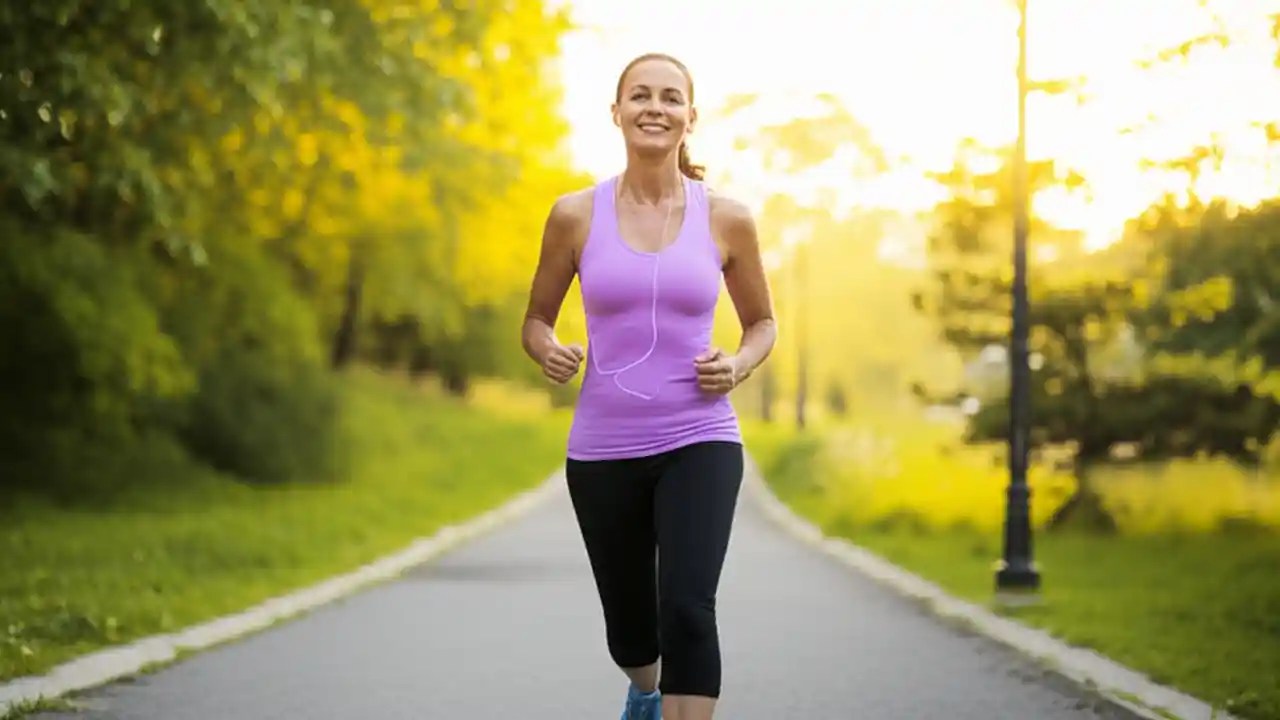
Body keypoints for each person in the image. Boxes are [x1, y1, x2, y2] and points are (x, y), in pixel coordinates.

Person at [521, 52, 777, 720]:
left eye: (670, 98)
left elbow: (763, 324)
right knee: (632, 631)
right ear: (616, 113)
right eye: (640, 96)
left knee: (689, 609)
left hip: (701, 435)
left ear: (691, 117)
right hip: (603, 448)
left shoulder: (728, 219)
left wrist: (739, 364)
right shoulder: (575, 215)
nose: (654, 108)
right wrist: (548, 350)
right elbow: (535, 320)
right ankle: (645, 691)